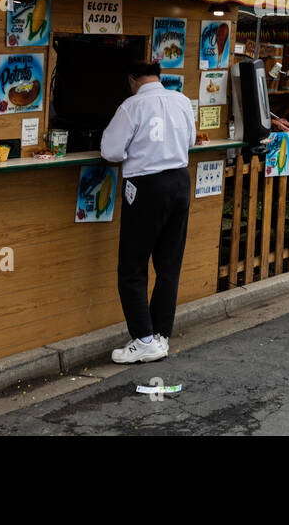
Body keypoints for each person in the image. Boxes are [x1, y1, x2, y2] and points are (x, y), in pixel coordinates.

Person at [100, 60, 197, 364]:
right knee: (169, 265)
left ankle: (143, 338)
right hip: (180, 181)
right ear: (158, 76)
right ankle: (160, 335)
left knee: (133, 266)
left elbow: (110, 151)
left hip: (146, 186)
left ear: (132, 80)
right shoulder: (181, 100)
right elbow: (191, 141)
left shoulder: (132, 106)